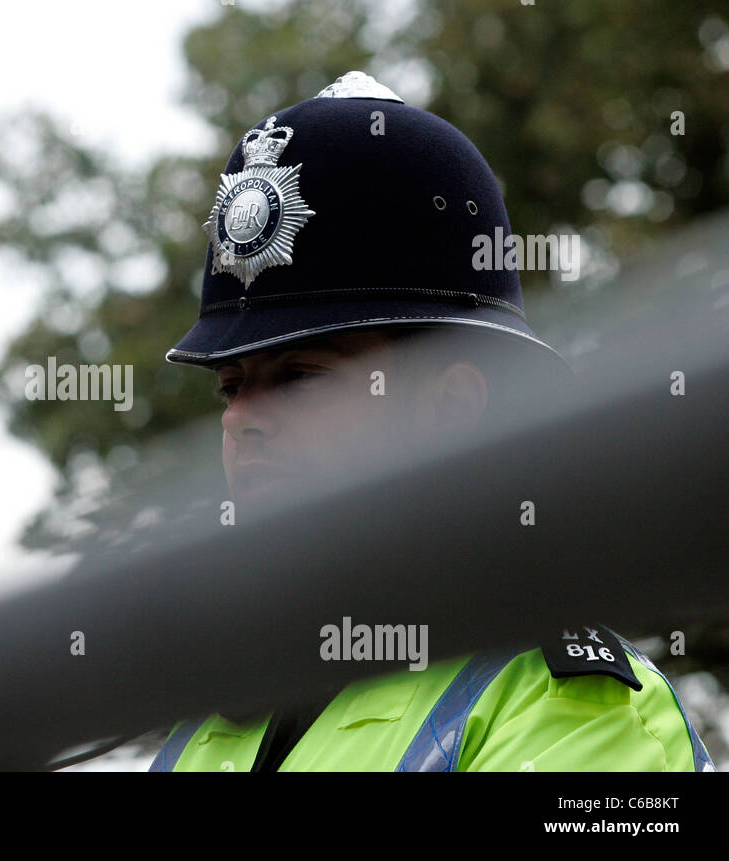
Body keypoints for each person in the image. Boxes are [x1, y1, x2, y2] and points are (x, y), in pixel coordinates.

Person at [149, 72, 714, 772]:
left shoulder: (564, 707)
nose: (242, 422)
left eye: (299, 377)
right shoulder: (209, 715)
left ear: (450, 409)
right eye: (230, 386)